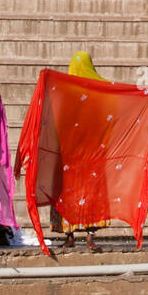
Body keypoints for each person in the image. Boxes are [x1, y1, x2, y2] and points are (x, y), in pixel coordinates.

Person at [49, 50, 112, 252]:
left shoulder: (67, 90)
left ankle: (71, 236)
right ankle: (88, 237)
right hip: (85, 152)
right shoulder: (98, 90)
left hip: (74, 153)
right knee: (85, 193)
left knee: (72, 193)